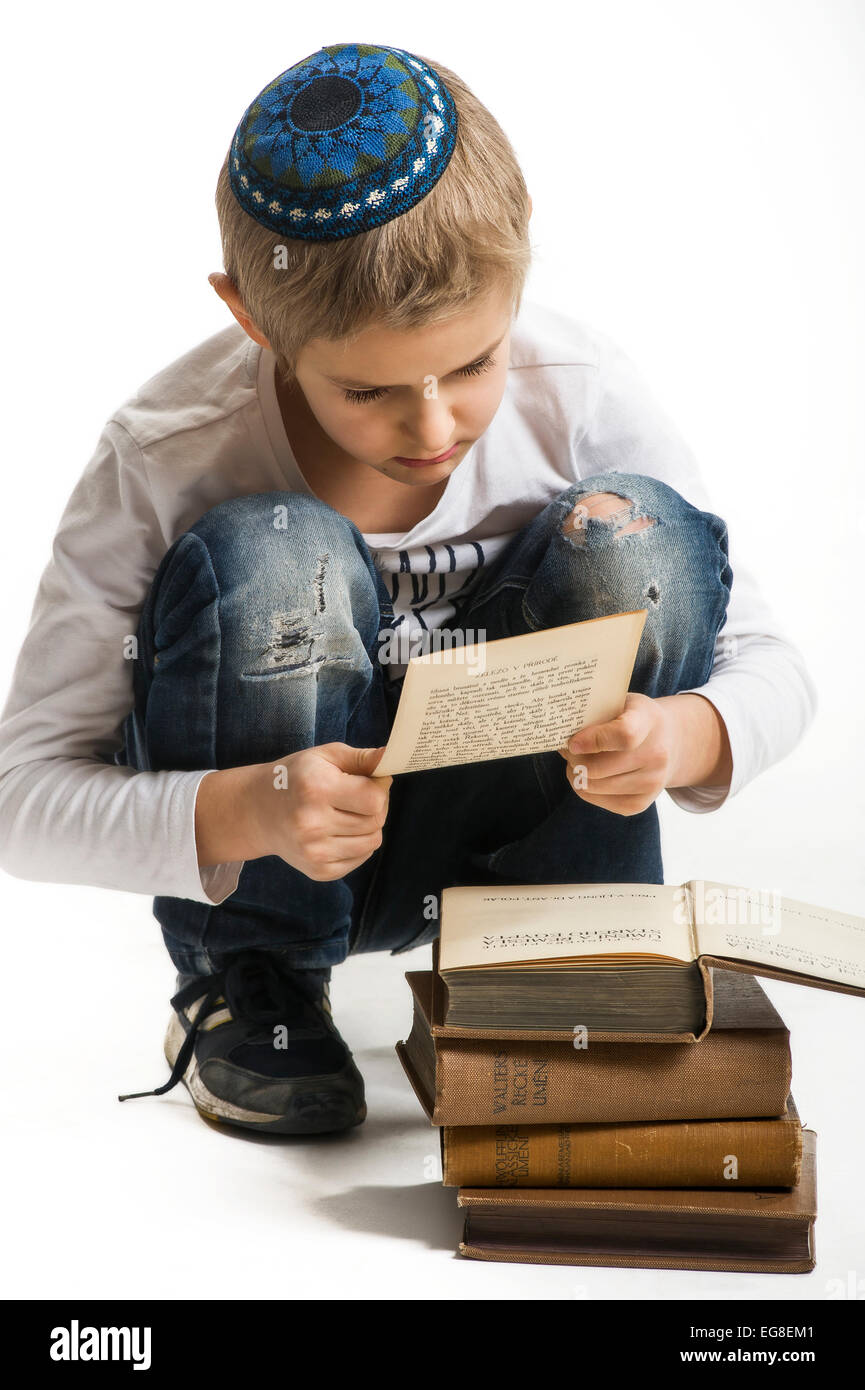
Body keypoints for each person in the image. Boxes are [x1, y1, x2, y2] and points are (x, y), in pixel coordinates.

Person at [0, 42, 816, 1136]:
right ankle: (258, 981)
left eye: (474, 365)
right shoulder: (165, 452)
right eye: (369, 388)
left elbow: (775, 664)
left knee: (637, 536)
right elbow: (21, 797)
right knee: (273, 554)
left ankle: (557, 948)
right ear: (253, 318)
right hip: (284, 846)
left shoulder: (577, 389)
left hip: (521, 827)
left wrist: (685, 734)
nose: (433, 431)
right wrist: (247, 806)